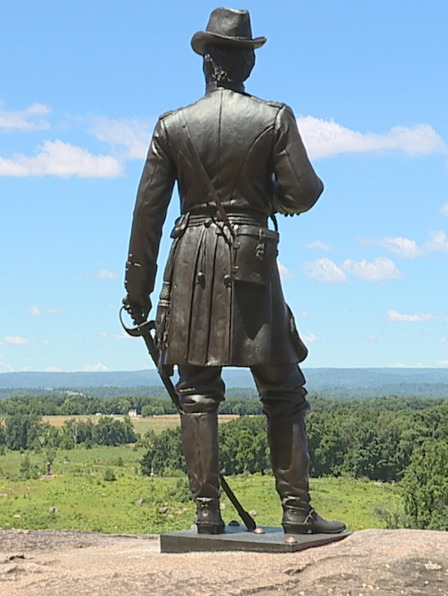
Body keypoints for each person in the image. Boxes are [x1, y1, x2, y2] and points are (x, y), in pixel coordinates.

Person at [122, 7, 344, 536]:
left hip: (192, 257)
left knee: (197, 389)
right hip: (252, 256)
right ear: (245, 63)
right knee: (283, 385)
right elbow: (305, 192)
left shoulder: (172, 126)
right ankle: (296, 510)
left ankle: (206, 515)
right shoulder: (274, 118)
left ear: (208, 62)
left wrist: (137, 292)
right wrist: (262, 198)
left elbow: (147, 216)